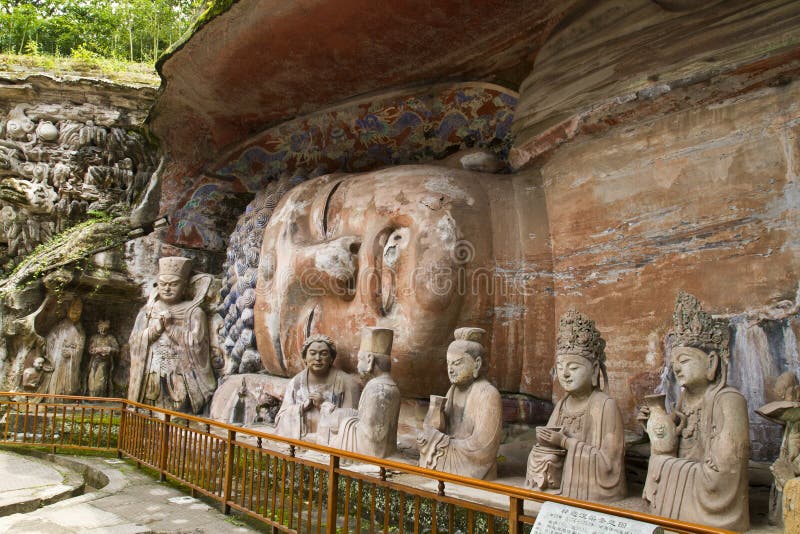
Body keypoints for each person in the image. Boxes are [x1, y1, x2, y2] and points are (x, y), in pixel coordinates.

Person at [639, 292, 749, 531]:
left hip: (711, 498)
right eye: (673, 363)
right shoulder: (683, 401)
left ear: (711, 362)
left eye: (685, 360)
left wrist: (665, 465)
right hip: (691, 483)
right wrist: (658, 431)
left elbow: (724, 472)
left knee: (660, 464)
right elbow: (671, 450)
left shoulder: (729, 401)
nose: (676, 369)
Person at [526, 309, 626, 502]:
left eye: (573, 368)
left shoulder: (605, 406)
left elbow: (610, 465)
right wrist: (545, 441)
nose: (564, 374)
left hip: (591, 487)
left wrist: (565, 442)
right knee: (537, 455)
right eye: (560, 367)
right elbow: (550, 447)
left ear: (594, 370)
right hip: (560, 477)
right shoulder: (562, 404)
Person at [128, 257, 217, 414]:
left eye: (174, 284)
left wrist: (171, 329)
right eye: (163, 284)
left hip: (180, 371)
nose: (167, 289)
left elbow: (198, 344)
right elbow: (134, 341)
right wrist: (155, 330)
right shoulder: (148, 311)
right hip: (152, 369)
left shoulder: (194, 312)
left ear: (184, 286)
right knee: (150, 405)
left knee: (179, 409)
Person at [417, 327, 502, 480]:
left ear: (477, 364)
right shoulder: (453, 390)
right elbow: (442, 428)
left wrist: (440, 442)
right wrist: (435, 414)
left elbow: (484, 447)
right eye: (448, 363)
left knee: (433, 448)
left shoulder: (488, 394)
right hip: (452, 449)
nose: (450, 370)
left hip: (470, 458)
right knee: (425, 440)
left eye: (457, 363)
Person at [329, 327, 401, 458]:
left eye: (359, 360)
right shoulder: (392, 386)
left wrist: (345, 422)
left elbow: (370, 436)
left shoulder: (376, 389)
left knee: (331, 437)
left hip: (371, 453)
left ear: (369, 360)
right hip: (384, 451)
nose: (357, 366)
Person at [274, 334, 361, 442]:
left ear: (331, 358)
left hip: (331, 445)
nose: (318, 358)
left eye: (323, 354)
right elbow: (280, 419)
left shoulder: (347, 383)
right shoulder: (296, 383)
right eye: (313, 353)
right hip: (300, 442)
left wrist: (325, 405)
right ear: (305, 358)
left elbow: (352, 422)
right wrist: (301, 408)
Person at [47, 298, 85, 396]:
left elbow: (81, 347)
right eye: (74, 308)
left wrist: (72, 352)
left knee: (69, 383)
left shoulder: (80, 330)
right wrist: (57, 351)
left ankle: (68, 398)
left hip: (71, 362)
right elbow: (50, 341)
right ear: (68, 309)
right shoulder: (59, 327)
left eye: (79, 310)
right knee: (57, 381)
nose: (76, 311)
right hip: (58, 359)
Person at [87, 319, 118, 397]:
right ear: (98, 329)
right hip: (95, 361)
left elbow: (117, 349)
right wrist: (96, 350)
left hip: (105, 362)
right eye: (101, 328)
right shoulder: (95, 338)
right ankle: (91, 396)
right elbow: (90, 349)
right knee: (92, 378)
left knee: (100, 379)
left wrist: (109, 349)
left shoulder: (111, 338)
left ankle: (99, 397)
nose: (103, 330)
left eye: (105, 329)